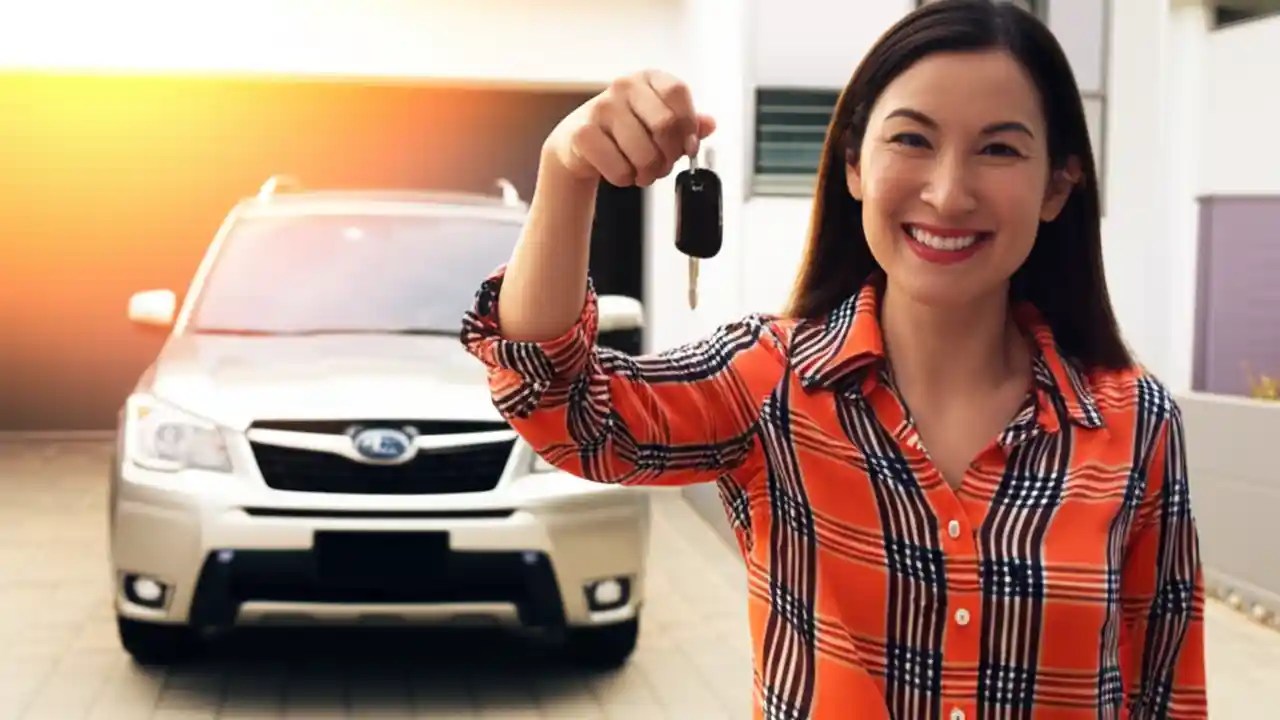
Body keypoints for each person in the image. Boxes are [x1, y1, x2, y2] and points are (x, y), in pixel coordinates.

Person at [460, 0, 1208, 717]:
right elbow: (557, 407)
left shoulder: (1135, 423)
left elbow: (1167, 693)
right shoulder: (769, 381)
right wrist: (566, 168)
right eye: (911, 140)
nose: (948, 193)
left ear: (1057, 186)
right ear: (854, 165)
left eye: (1000, 149)